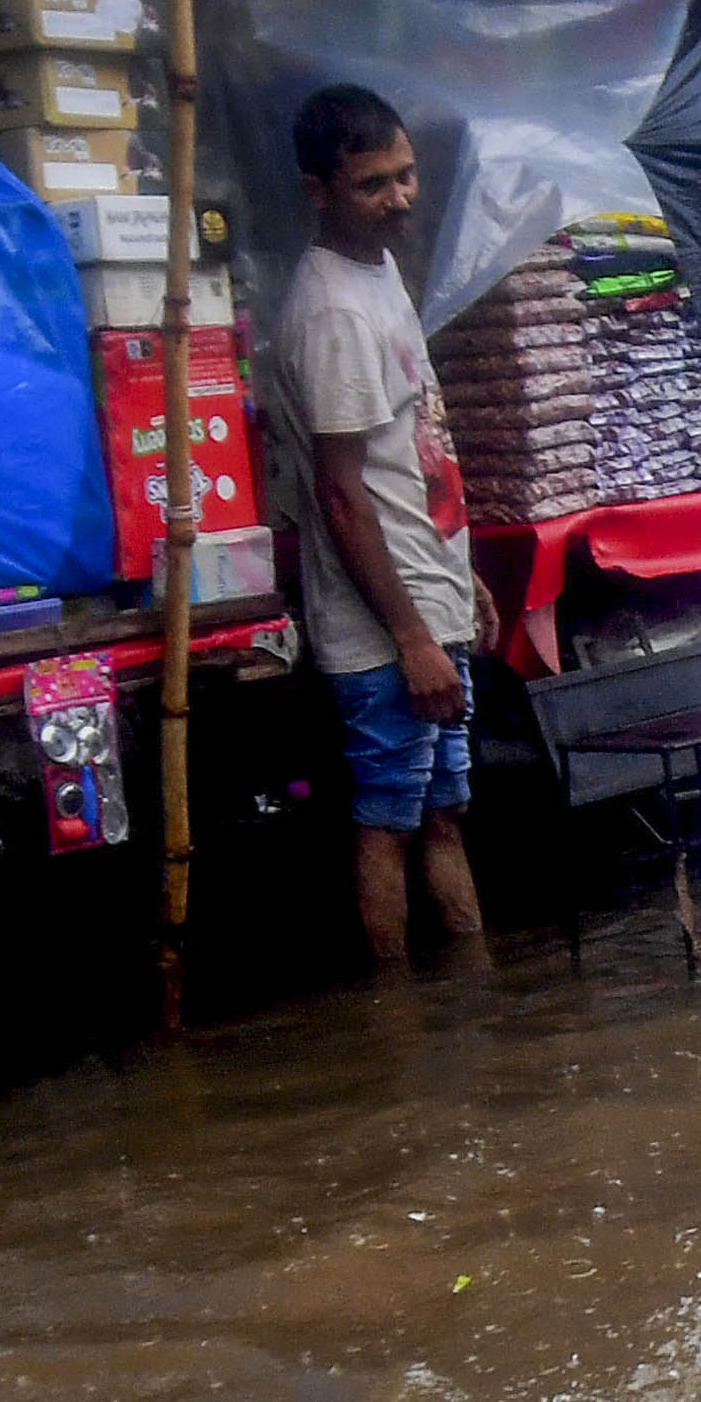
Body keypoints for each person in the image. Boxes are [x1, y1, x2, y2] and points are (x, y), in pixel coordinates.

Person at [266, 83, 496, 970]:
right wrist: (410, 636)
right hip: (383, 634)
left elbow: (409, 457)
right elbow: (338, 494)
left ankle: (464, 1002)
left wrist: (452, 575)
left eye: (405, 176)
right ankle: (396, 1025)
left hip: (423, 599)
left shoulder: (378, 272)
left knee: (440, 811)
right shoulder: (331, 312)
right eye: (373, 185)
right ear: (318, 192)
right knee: (388, 821)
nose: (400, 197)